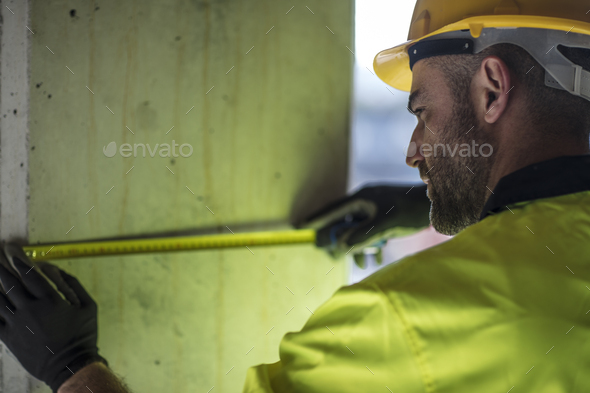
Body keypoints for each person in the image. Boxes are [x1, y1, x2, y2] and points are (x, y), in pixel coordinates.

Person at [1, 0, 590, 392]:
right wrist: (452, 205)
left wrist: (70, 367)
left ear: (492, 89)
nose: (413, 152)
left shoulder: (406, 318)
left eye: (423, 112)